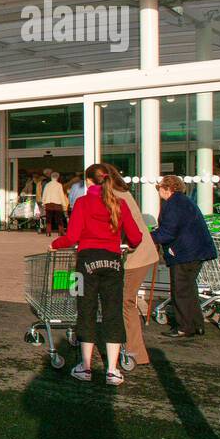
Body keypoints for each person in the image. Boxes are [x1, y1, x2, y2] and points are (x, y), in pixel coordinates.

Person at [49, 163, 143, 385]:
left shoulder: (82, 203)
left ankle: (86, 367)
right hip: (112, 262)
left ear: (88, 181)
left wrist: (55, 243)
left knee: (86, 310)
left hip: (86, 263)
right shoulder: (118, 204)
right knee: (112, 312)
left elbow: (71, 237)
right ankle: (112, 369)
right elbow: (136, 237)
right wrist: (127, 244)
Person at [102, 164, 158, 367]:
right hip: (141, 254)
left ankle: (135, 351)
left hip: (136, 257)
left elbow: (126, 230)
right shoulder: (122, 192)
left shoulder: (116, 197)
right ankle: (129, 347)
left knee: (125, 302)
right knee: (124, 301)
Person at [151, 174, 218, 338]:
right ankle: (196, 324)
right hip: (195, 251)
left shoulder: (172, 204)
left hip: (184, 252)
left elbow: (168, 231)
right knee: (189, 289)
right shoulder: (185, 201)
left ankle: (184, 326)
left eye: (159, 188)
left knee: (180, 290)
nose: (158, 192)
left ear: (167, 188)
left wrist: (149, 237)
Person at [40, 171, 68, 237]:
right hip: (57, 203)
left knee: (48, 218)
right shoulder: (59, 185)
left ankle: (48, 231)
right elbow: (61, 195)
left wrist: (43, 202)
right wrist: (64, 205)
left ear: (51, 177)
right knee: (59, 218)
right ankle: (61, 232)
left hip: (48, 203)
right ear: (57, 177)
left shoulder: (47, 185)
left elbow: (44, 194)